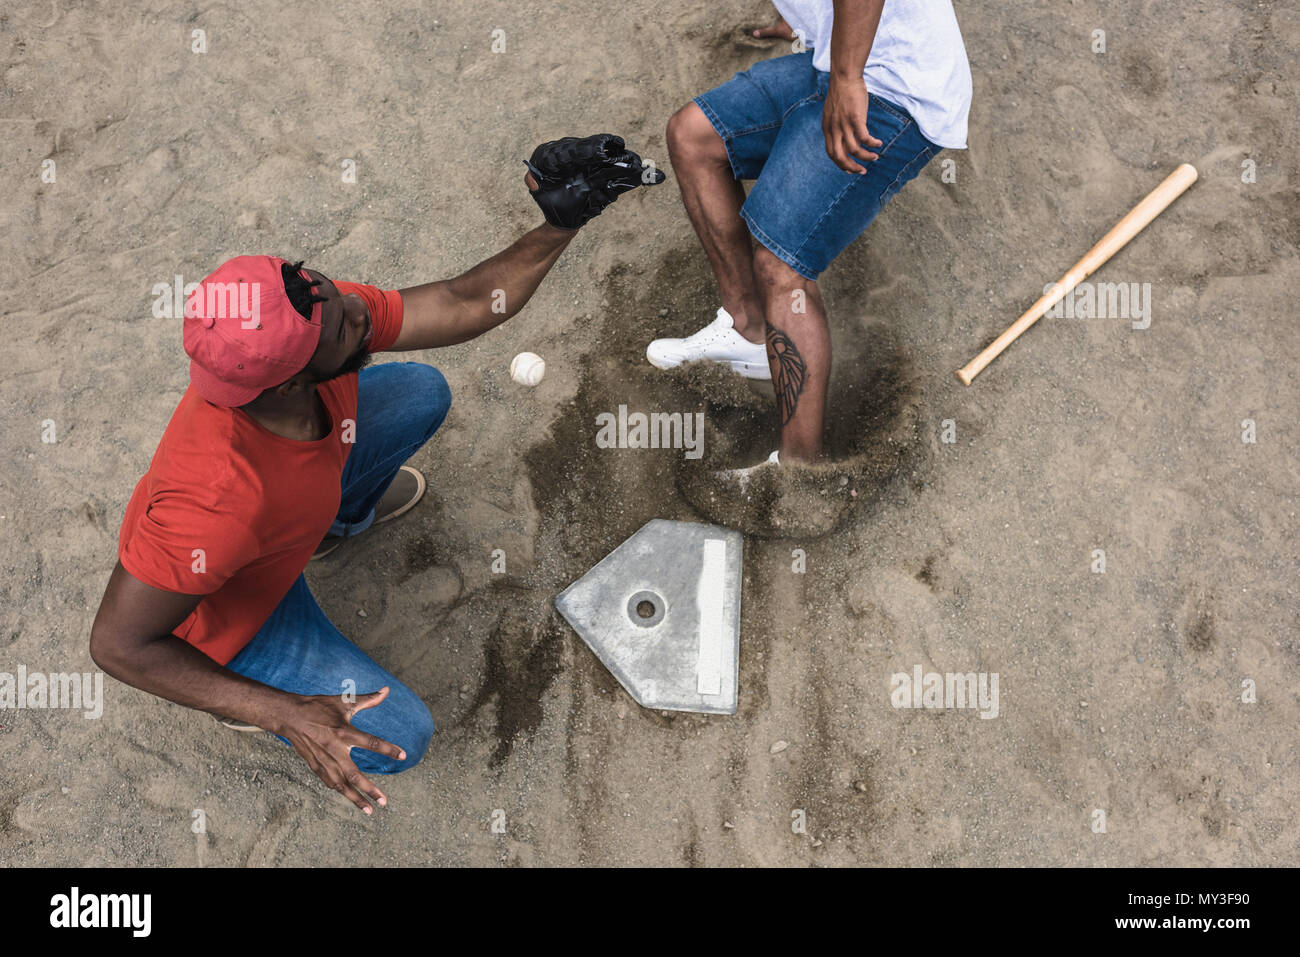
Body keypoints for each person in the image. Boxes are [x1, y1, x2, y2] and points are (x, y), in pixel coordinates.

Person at [90, 136, 662, 815]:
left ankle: (331, 524)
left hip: (281, 519)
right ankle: (245, 691)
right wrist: (282, 711)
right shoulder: (211, 504)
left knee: (420, 390)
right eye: (343, 330)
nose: (361, 314)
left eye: (336, 297)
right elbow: (119, 645)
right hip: (241, 615)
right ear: (293, 380)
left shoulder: (304, 314)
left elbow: (461, 300)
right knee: (401, 732)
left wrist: (560, 224)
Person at [646, 0, 971, 469]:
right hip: (841, 58)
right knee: (694, 136)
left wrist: (845, 77)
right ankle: (749, 331)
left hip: (898, 87)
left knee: (781, 265)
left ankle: (801, 470)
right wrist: (808, 17)